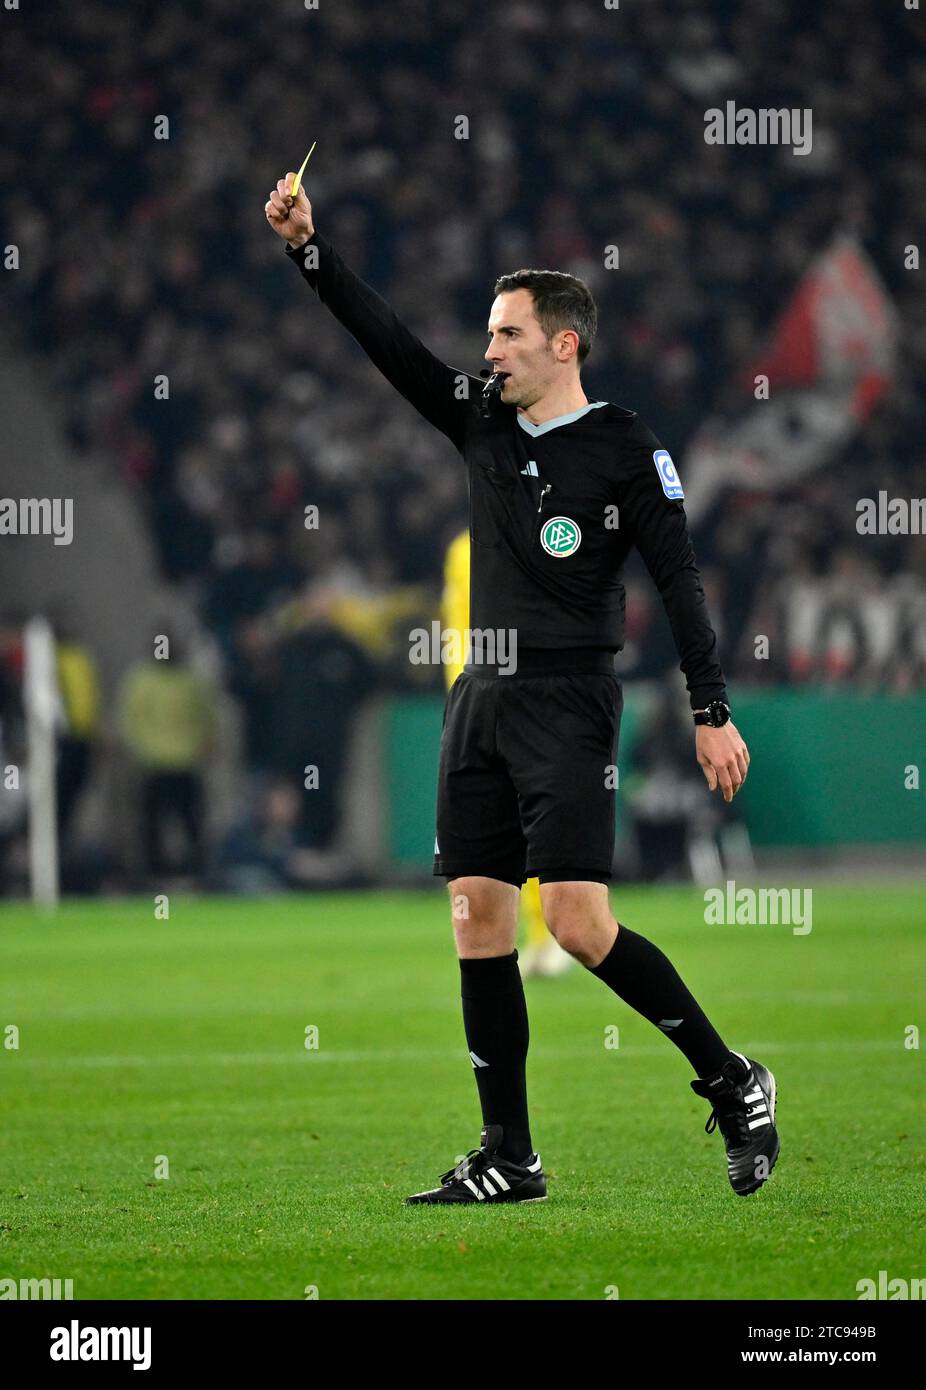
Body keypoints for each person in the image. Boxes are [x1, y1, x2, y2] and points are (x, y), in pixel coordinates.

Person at [266, 173, 778, 1204]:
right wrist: (307, 250)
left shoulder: (626, 448)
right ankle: (509, 1151)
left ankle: (730, 1081)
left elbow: (676, 579)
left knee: (581, 924)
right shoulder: (478, 422)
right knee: (476, 922)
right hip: (477, 701)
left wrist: (708, 707)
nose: (486, 351)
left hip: (566, 699)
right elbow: (390, 344)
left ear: (562, 344)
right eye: (487, 334)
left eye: (505, 335)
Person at [442, 527, 571, 978]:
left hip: (507, 698)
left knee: (527, 827)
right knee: (476, 838)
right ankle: (499, 941)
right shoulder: (466, 549)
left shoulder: (514, 541)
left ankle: (546, 935)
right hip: (472, 701)